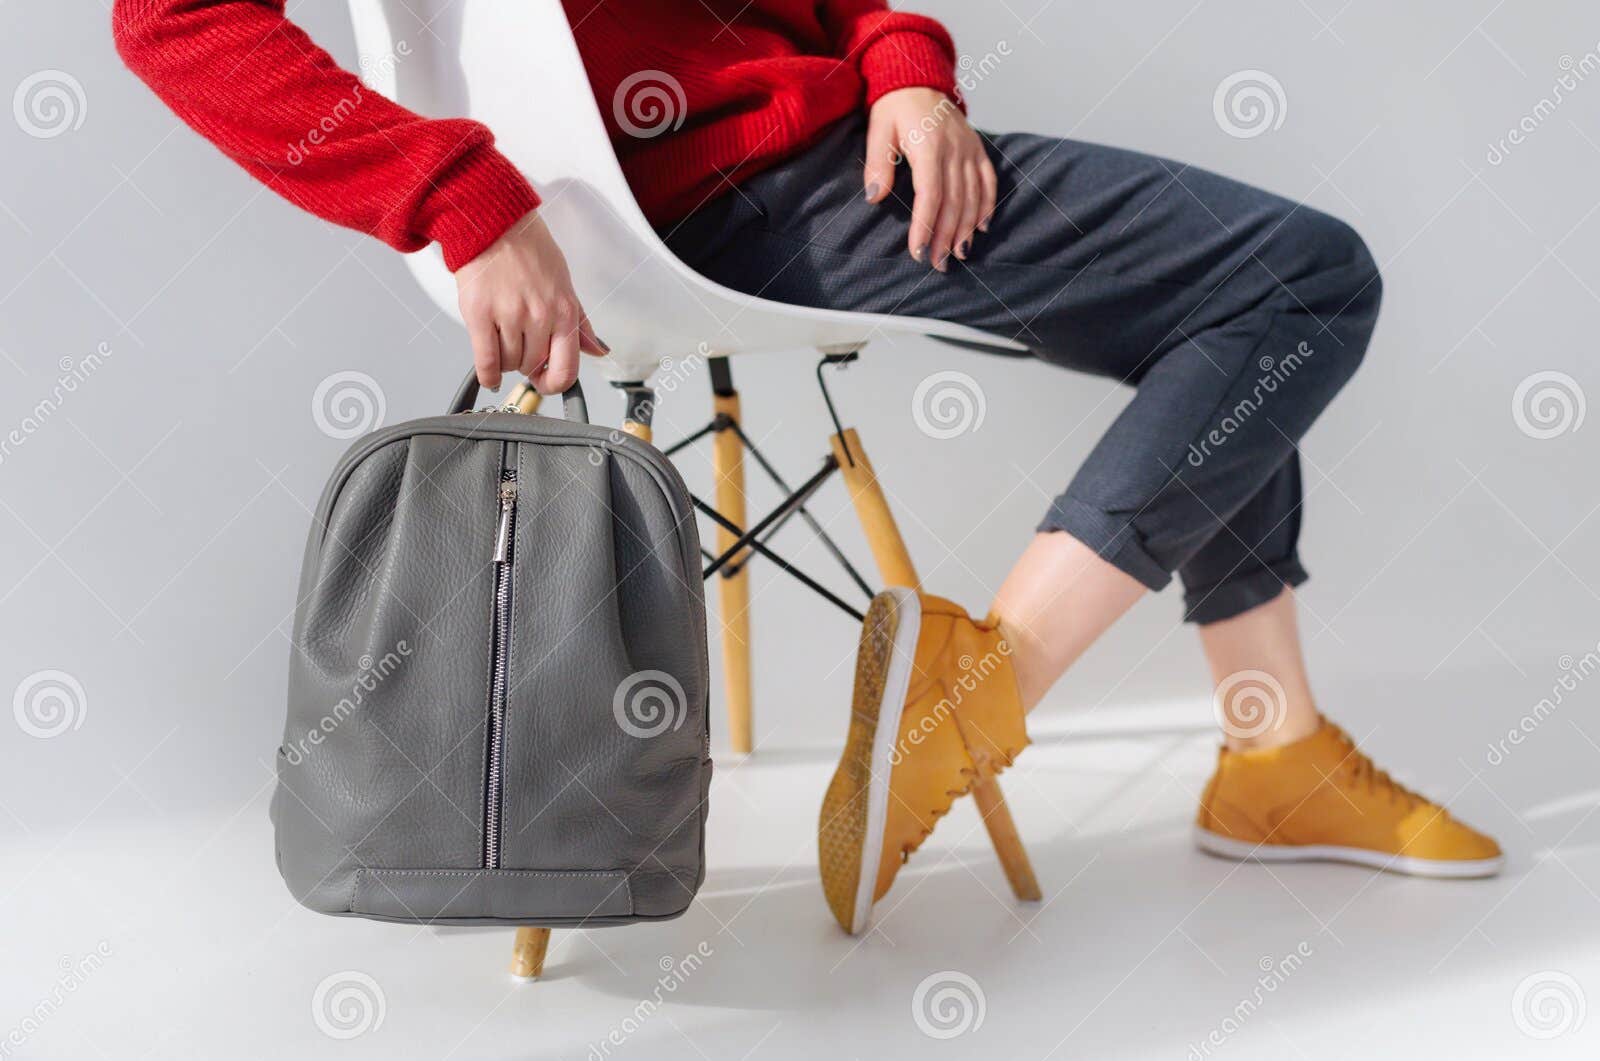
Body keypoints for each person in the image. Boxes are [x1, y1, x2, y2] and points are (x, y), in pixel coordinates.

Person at [114, 0, 1502, 937]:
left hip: (830, 152)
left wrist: (906, 62)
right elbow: (167, 17)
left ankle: (1273, 755)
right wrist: (447, 193)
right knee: (1296, 283)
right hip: (701, 199)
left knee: (1238, 308)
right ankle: (983, 691)